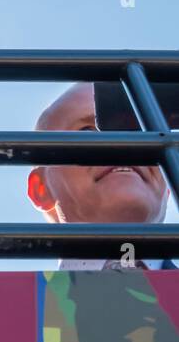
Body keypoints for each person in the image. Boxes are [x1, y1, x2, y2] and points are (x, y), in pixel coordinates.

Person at [28, 81, 175, 269]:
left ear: (167, 182)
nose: (120, 144)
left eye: (139, 132)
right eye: (87, 133)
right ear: (40, 189)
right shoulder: (0, 297)